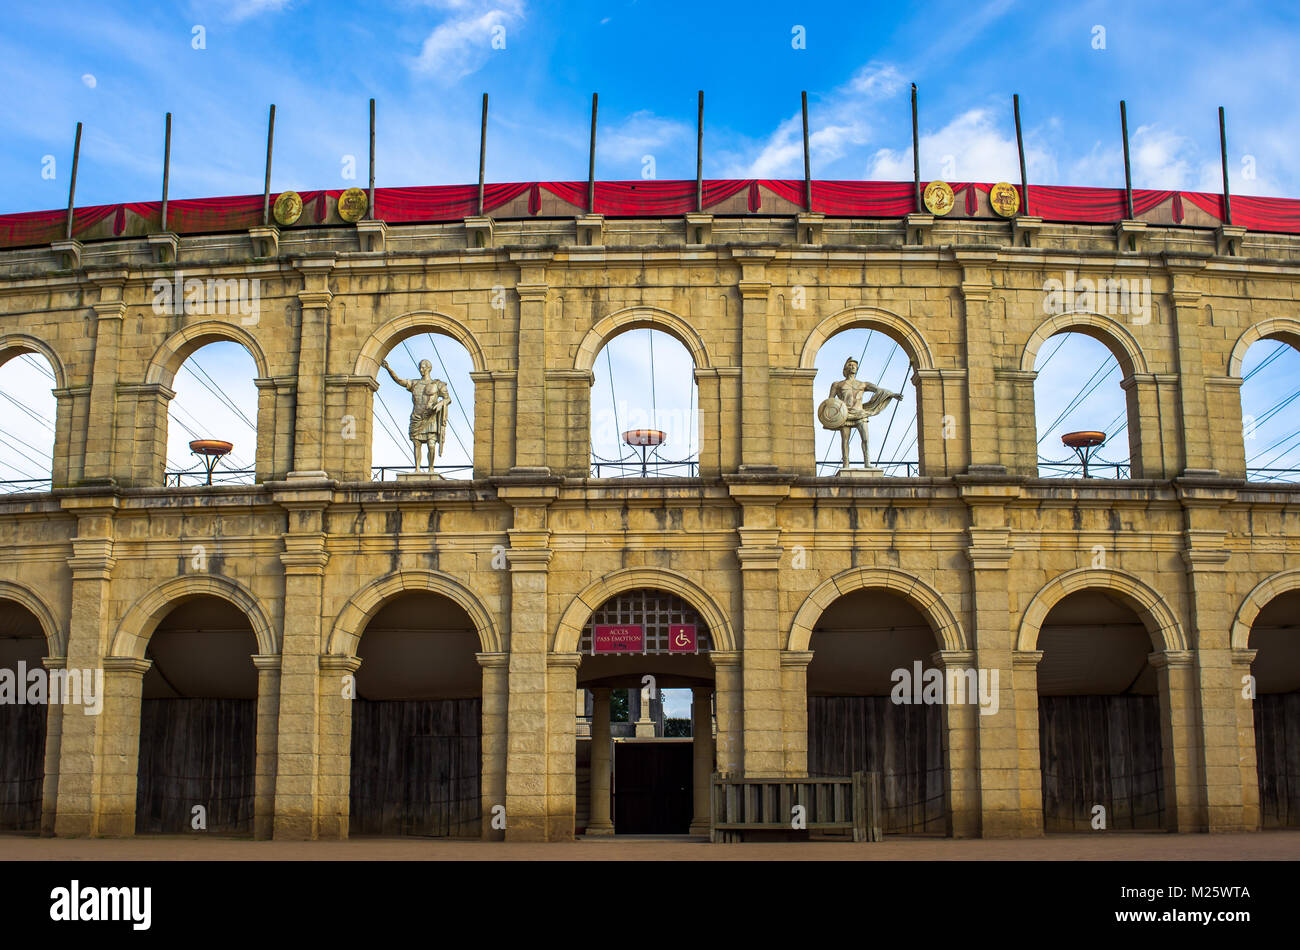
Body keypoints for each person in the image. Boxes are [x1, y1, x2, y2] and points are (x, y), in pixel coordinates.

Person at [828, 356, 901, 468]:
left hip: (860, 413)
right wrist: (831, 416)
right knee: (845, 441)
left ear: (857, 369)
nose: (852, 367)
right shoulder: (837, 384)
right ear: (845, 369)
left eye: (854, 365)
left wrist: (892, 394)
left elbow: (879, 390)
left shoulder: (863, 384)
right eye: (850, 365)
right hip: (845, 415)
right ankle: (846, 464)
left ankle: (867, 463)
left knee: (865, 439)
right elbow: (830, 401)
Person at [380, 358, 451, 472]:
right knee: (417, 444)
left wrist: (440, 404)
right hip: (416, 417)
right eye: (420, 367)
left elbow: (447, 399)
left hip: (430, 417)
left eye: (423, 367)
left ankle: (431, 468)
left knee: (431, 444)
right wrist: (388, 368)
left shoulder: (438, 384)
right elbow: (399, 380)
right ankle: (417, 469)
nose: (421, 370)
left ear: (429, 368)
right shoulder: (414, 383)